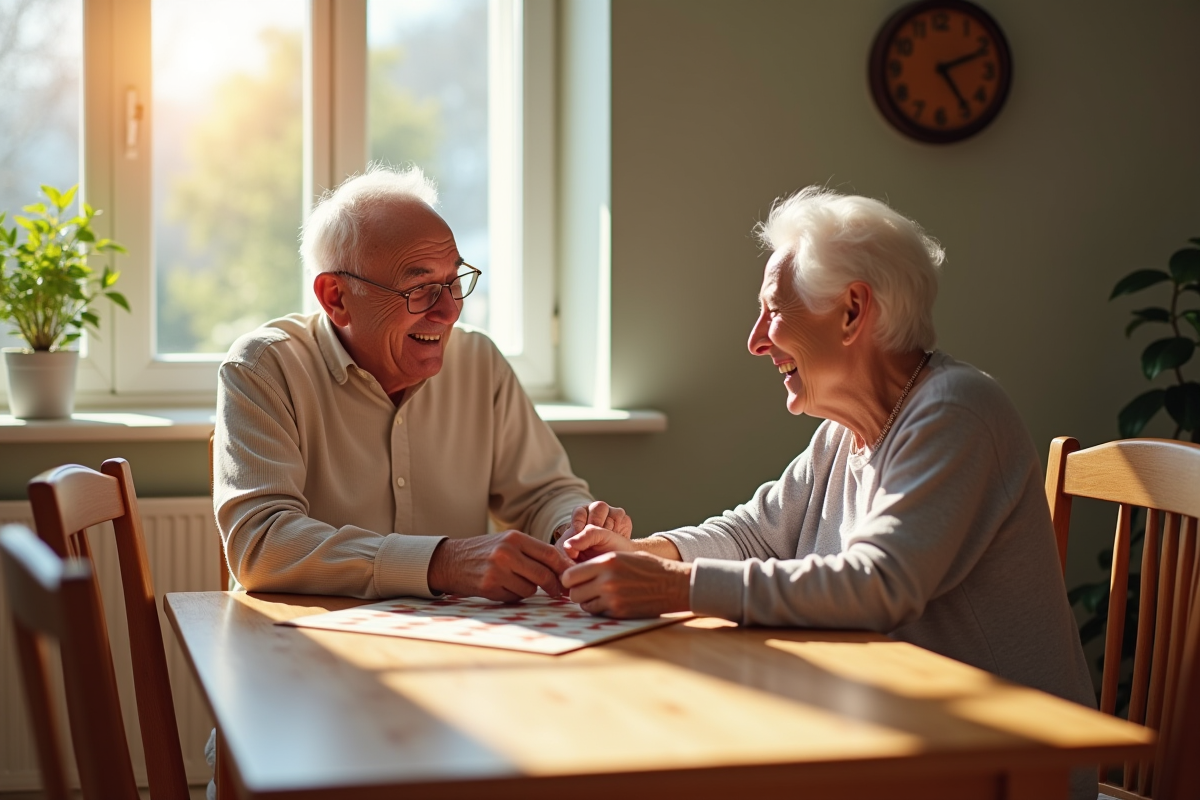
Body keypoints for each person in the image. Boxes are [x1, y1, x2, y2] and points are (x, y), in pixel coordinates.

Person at [559, 187, 1098, 799]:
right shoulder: (845, 433)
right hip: (906, 742)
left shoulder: (956, 411)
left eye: (772, 311)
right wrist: (649, 555)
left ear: (851, 311)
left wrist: (675, 588)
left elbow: (878, 585)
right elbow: (754, 534)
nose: (756, 340)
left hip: (1007, 769)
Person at [213, 165, 629, 602]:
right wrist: (442, 562)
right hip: (302, 646)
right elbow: (261, 544)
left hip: (456, 645)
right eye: (420, 288)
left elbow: (543, 492)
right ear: (336, 297)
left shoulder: (478, 362)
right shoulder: (264, 367)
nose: (449, 311)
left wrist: (571, 527)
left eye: (454, 282)